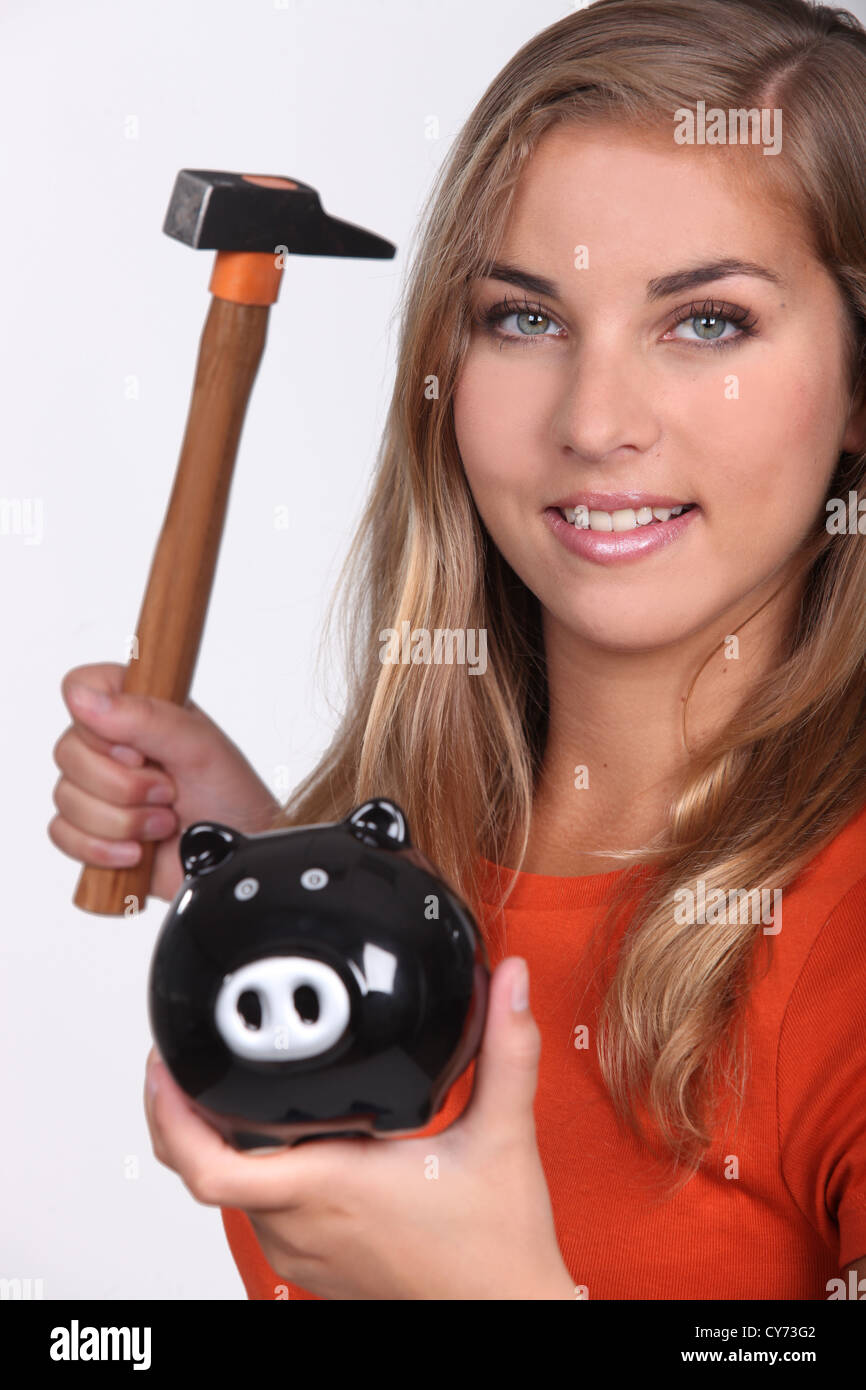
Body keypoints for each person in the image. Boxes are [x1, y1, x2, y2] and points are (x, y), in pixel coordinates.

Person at [51, 0, 866, 1300]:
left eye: (705, 320)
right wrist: (291, 870)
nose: (595, 420)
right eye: (525, 319)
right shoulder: (396, 875)